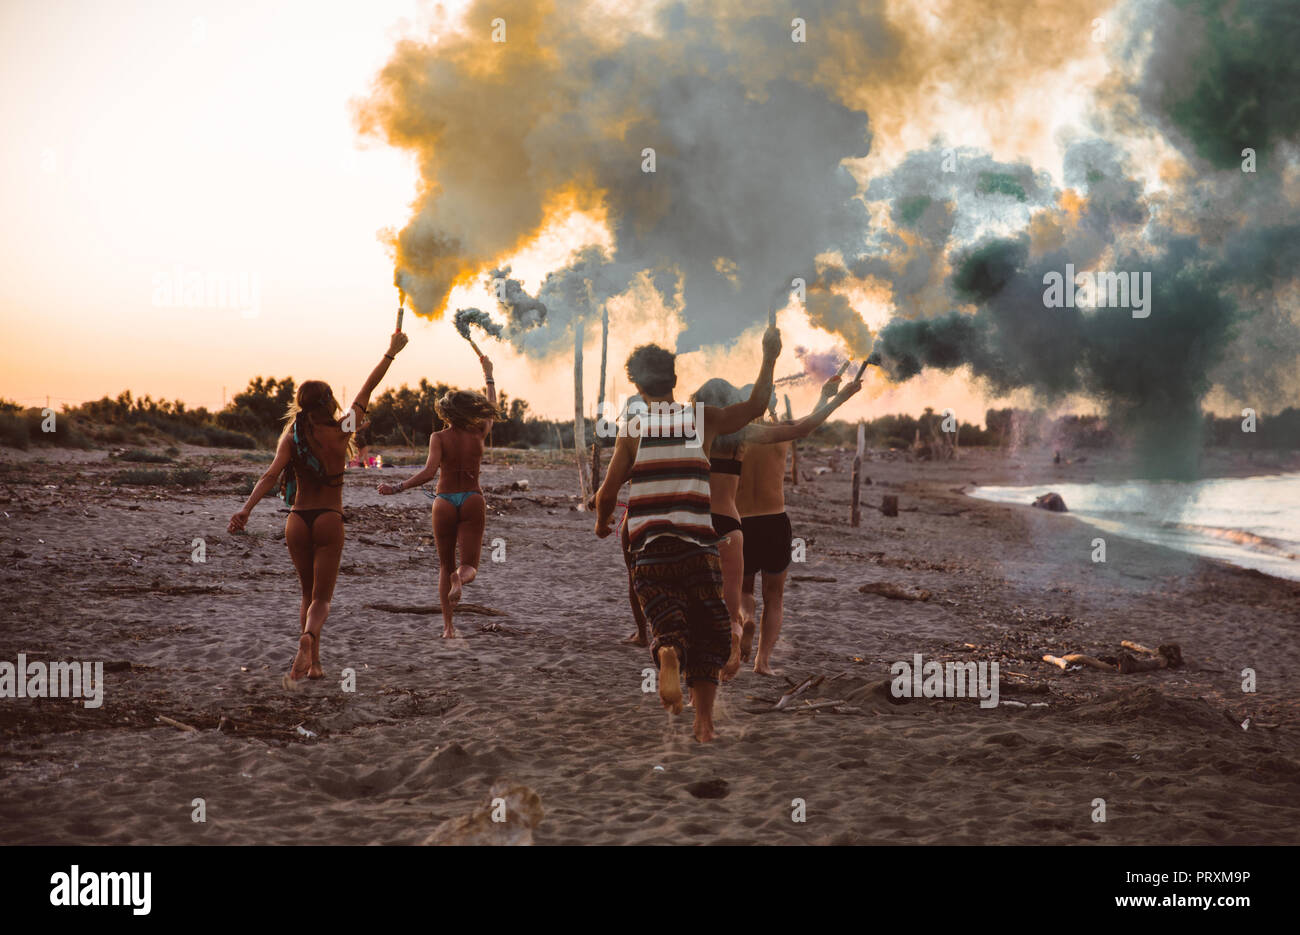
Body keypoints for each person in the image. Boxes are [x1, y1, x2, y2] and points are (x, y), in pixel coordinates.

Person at [594, 325, 781, 743]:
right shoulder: (703, 419)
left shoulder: (633, 430)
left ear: (638, 385)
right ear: (675, 380)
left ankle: (666, 652)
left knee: (666, 618)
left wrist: (603, 522)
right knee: (711, 631)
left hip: (650, 550)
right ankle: (704, 724)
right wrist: (769, 355)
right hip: (699, 546)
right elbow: (754, 405)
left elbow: (607, 494)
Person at [229, 330, 409, 686]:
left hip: (296, 521)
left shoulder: (292, 436)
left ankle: (314, 663)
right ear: (328, 402)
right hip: (329, 519)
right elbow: (367, 389)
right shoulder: (343, 430)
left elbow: (269, 476)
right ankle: (309, 642)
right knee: (322, 601)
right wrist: (391, 352)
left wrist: (246, 510)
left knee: (306, 594)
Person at [695, 373, 862, 664]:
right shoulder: (770, 433)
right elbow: (806, 425)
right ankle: (763, 662)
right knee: (775, 597)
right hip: (774, 521)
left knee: (743, 590)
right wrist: (833, 398)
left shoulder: (720, 435)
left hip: (738, 522)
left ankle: (745, 618)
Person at [378, 353, 497, 638]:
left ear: (446, 413)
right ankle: (461, 579)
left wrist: (397, 488)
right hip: (472, 498)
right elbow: (492, 408)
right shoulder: (479, 432)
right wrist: (489, 374)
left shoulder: (438, 437)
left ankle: (448, 628)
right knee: (469, 565)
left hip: (443, 502)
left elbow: (429, 472)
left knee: (444, 565)